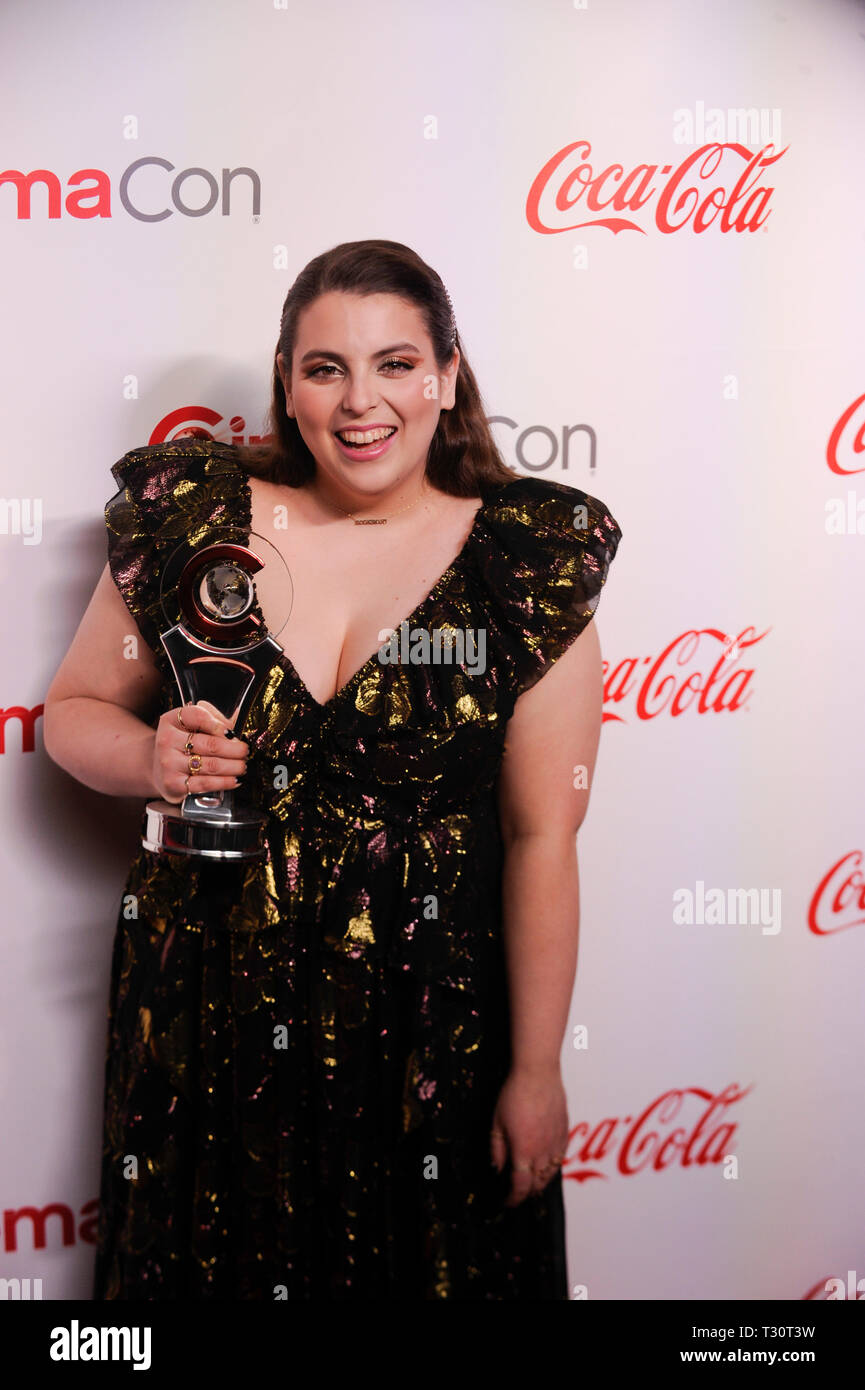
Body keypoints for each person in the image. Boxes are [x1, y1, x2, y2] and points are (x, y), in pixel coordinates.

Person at [43, 238, 622, 1300]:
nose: (364, 401)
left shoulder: (523, 560)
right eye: (326, 368)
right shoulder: (196, 522)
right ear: (288, 386)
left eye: (396, 363)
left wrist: (536, 1068)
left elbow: (545, 836)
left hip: (428, 1027)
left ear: (446, 376)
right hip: (207, 1002)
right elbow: (69, 714)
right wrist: (147, 754)